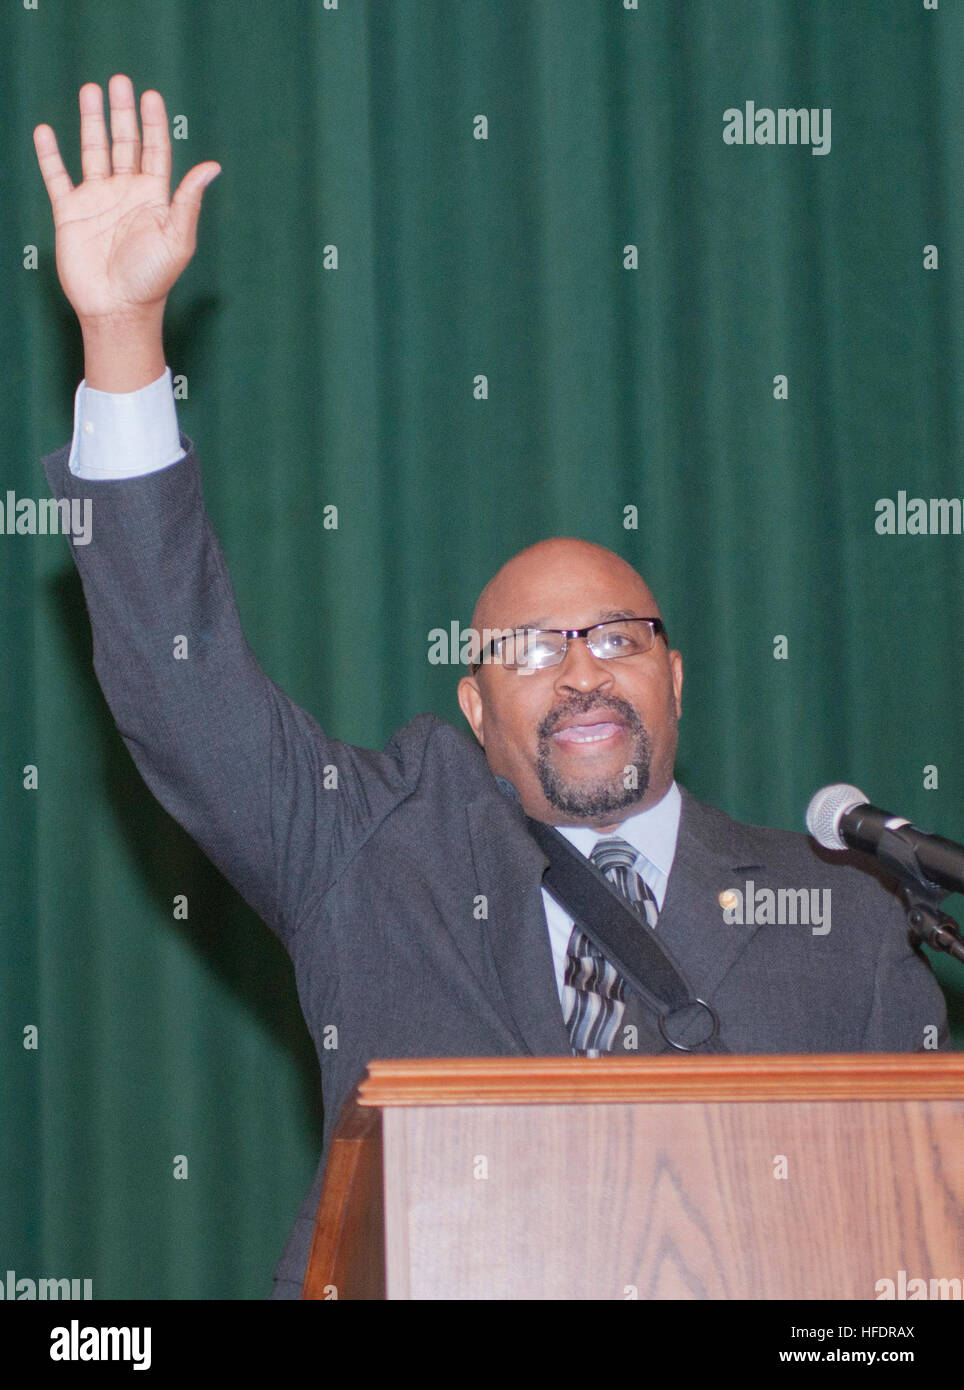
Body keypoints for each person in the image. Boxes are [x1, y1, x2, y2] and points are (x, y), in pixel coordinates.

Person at [34, 76, 950, 1299]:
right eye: (528, 649)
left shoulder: (838, 913)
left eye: (615, 638)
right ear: (474, 711)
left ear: (675, 677)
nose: (578, 668)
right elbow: (180, 694)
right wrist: (121, 338)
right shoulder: (377, 855)